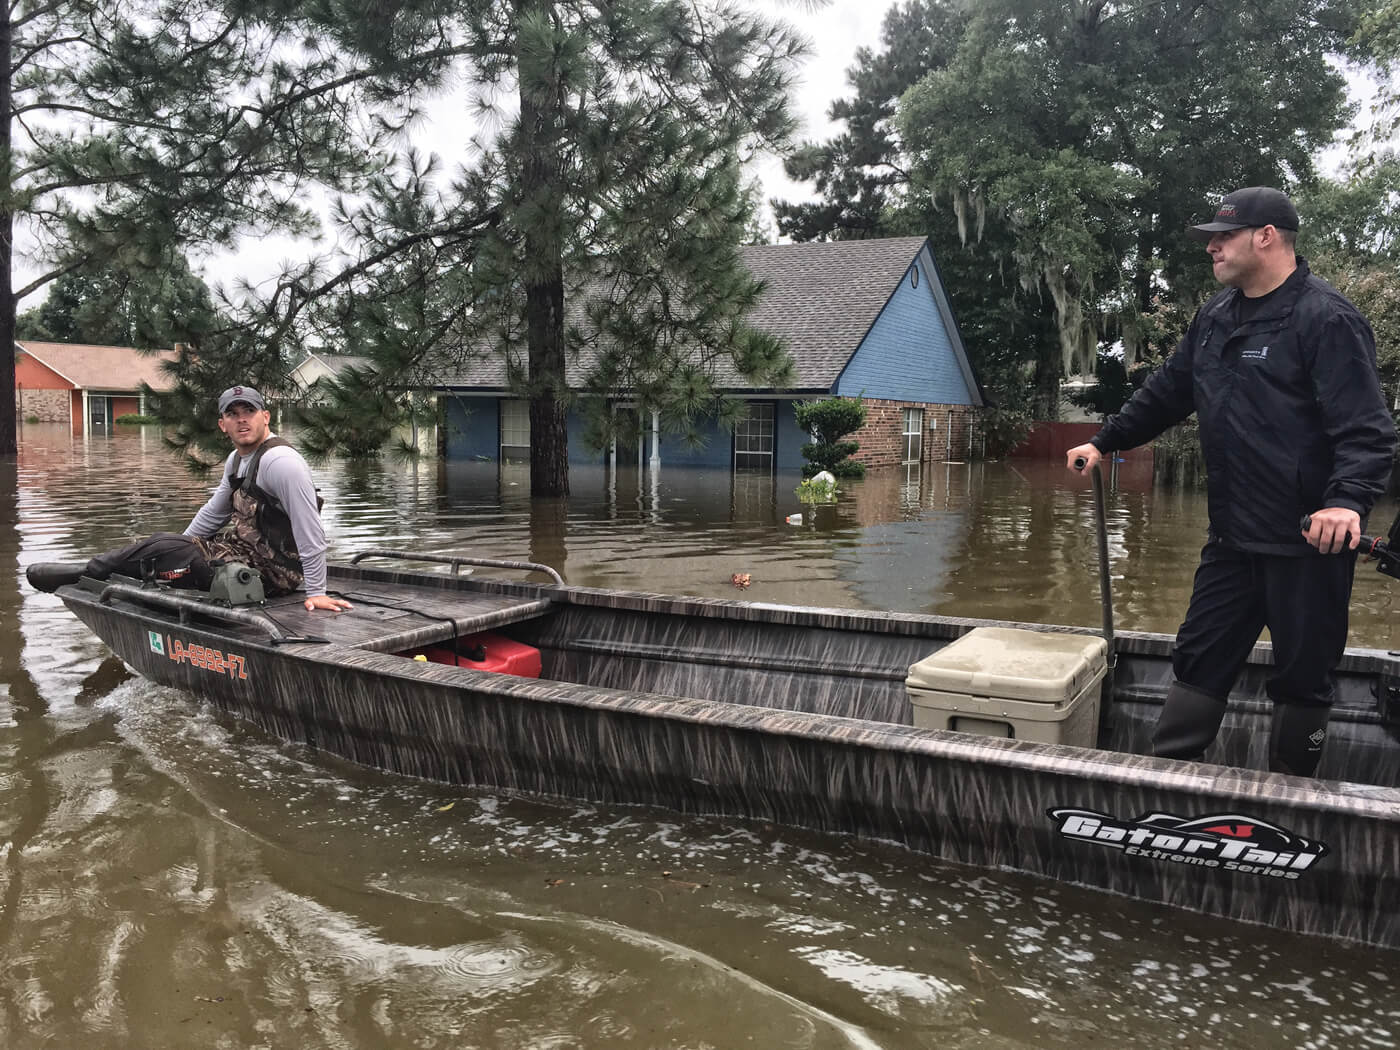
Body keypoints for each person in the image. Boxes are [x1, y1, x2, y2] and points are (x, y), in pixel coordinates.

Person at [1066, 186, 1396, 777]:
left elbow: (1367, 431)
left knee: (1304, 675)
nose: (1211, 247)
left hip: (1310, 544)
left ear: (1266, 236)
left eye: (1223, 236)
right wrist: (1105, 441)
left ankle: (1291, 795)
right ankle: (1170, 783)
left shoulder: (1327, 318)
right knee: (1198, 656)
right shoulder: (1215, 317)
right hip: (1232, 539)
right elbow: (1168, 391)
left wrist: (1347, 502)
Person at [30, 386, 352, 613]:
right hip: (242, 554)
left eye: (249, 412)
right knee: (166, 547)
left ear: (265, 417)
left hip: (275, 574)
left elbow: (310, 530)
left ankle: (86, 572)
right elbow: (213, 514)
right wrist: (180, 546)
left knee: (165, 548)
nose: (242, 419)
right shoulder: (237, 460)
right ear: (222, 424)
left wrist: (317, 592)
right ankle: (104, 572)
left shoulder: (281, 463)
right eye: (233, 414)